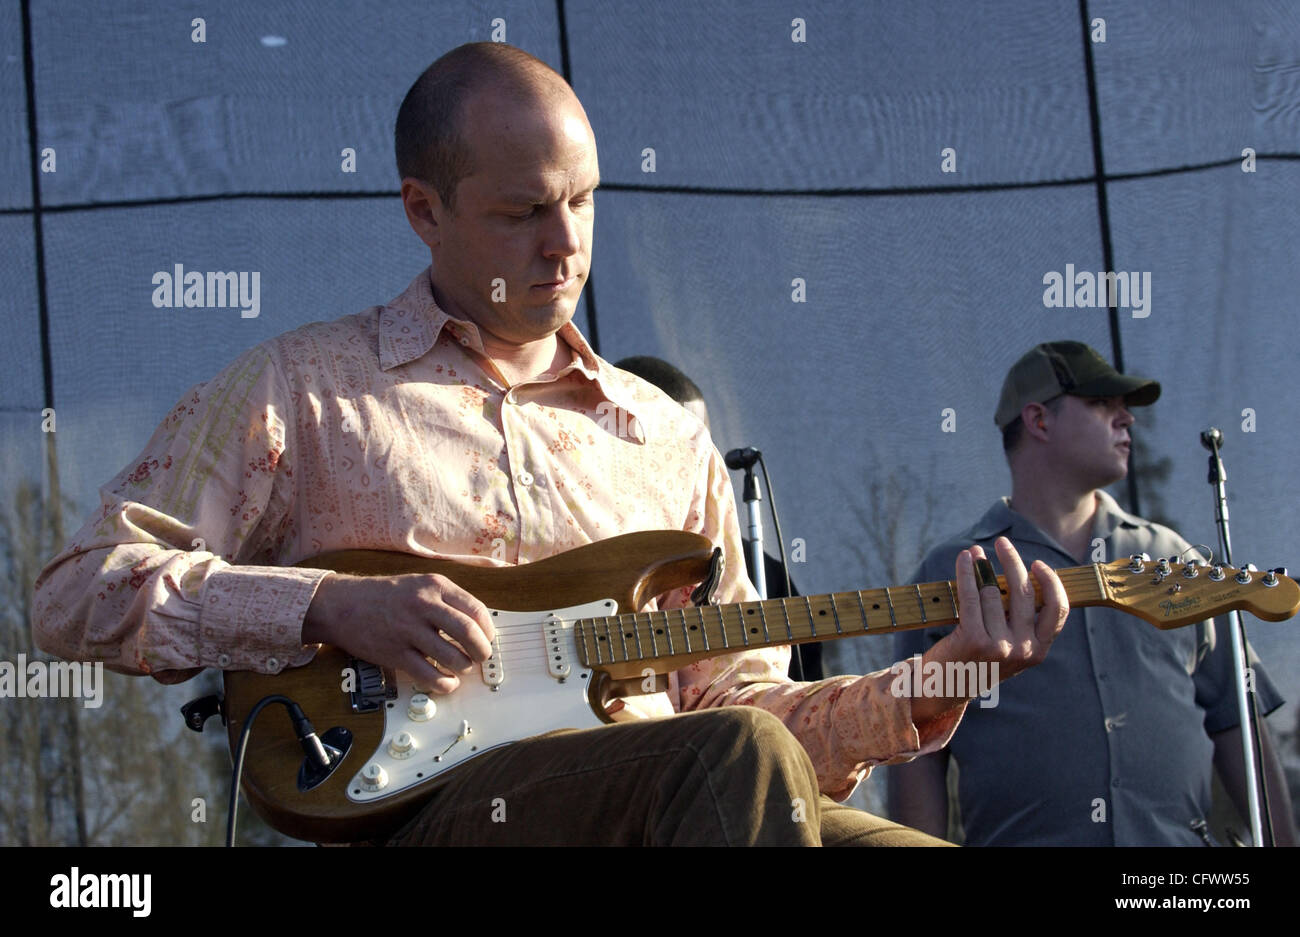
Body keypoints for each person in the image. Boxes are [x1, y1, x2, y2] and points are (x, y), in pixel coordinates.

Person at [33, 42, 1067, 846]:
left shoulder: (662, 435)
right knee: (728, 759)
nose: (565, 245)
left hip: (683, 792)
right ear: (422, 210)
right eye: (524, 211)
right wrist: (325, 604)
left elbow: (743, 706)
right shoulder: (302, 392)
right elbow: (77, 590)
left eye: (581, 201)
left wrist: (946, 676)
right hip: (432, 817)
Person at [889, 341, 1296, 846]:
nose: (1126, 419)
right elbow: (913, 747)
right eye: (1102, 403)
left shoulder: (1180, 564)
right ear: (1039, 420)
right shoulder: (953, 573)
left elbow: (1239, 718)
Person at [612, 354, 823, 680]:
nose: (698, 461)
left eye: (703, 445)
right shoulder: (585, 552)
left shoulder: (762, 573)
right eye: (679, 447)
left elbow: (799, 690)